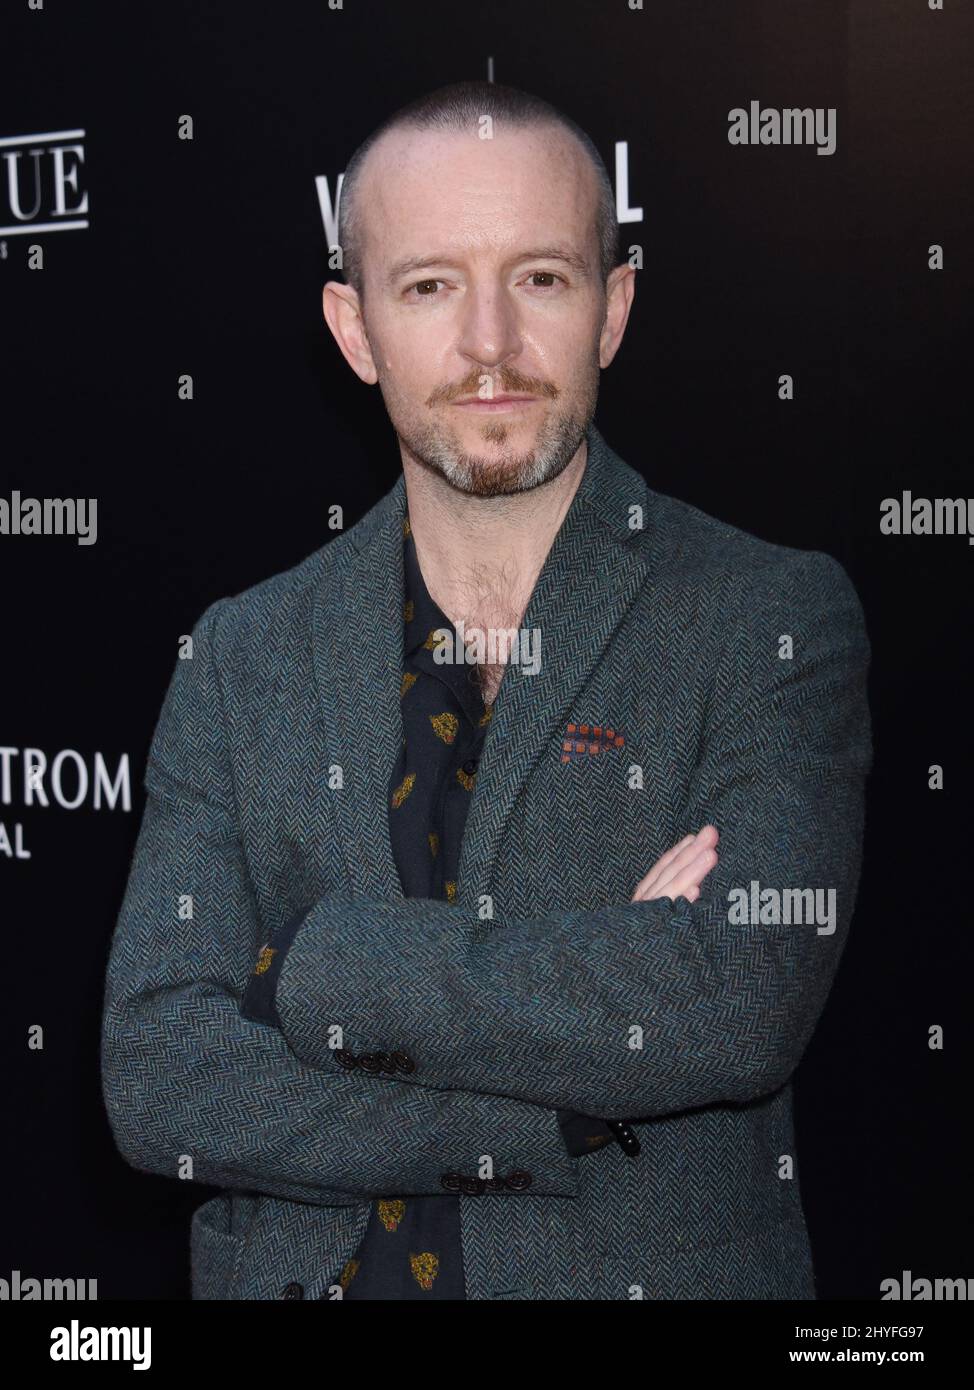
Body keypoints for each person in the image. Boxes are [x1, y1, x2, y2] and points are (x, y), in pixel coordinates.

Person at [101, 79, 872, 1300]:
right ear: (354, 332)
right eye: (428, 285)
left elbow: (735, 998)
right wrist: (553, 1106)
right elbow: (160, 1077)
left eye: (540, 278)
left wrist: (314, 965)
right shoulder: (241, 651)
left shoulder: (764, 617)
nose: (488, 346)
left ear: (611, 309)